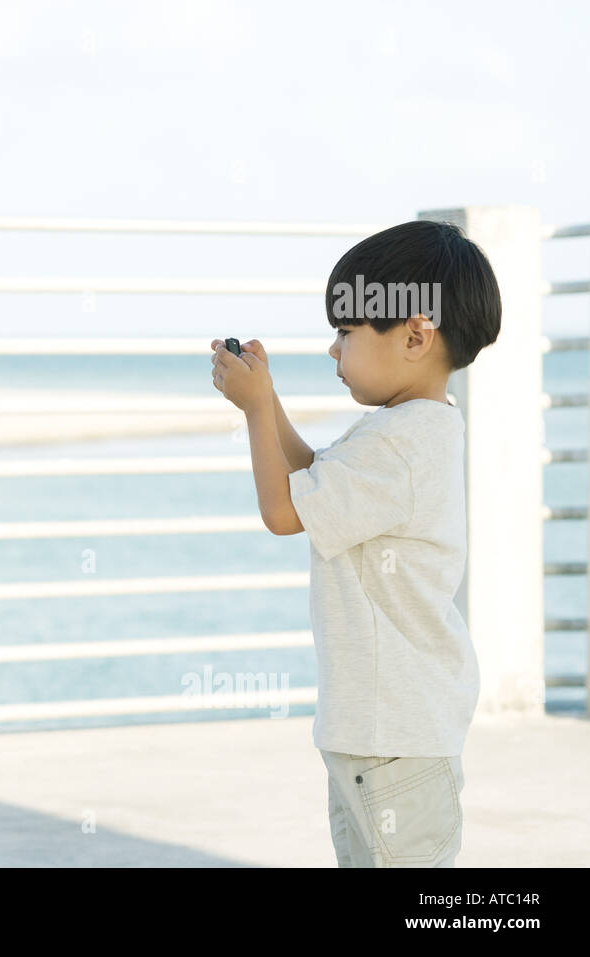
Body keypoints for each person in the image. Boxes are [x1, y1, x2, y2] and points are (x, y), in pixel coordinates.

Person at [210, 219, 502, 866]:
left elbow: (284, 510)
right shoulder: (404, 430)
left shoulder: (400, 443)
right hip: (383, 736)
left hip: (392, 740)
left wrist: (258, 409)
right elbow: (309, 482)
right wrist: (266, 398)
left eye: (345, 332)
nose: (334, 349)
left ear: (416, 334)